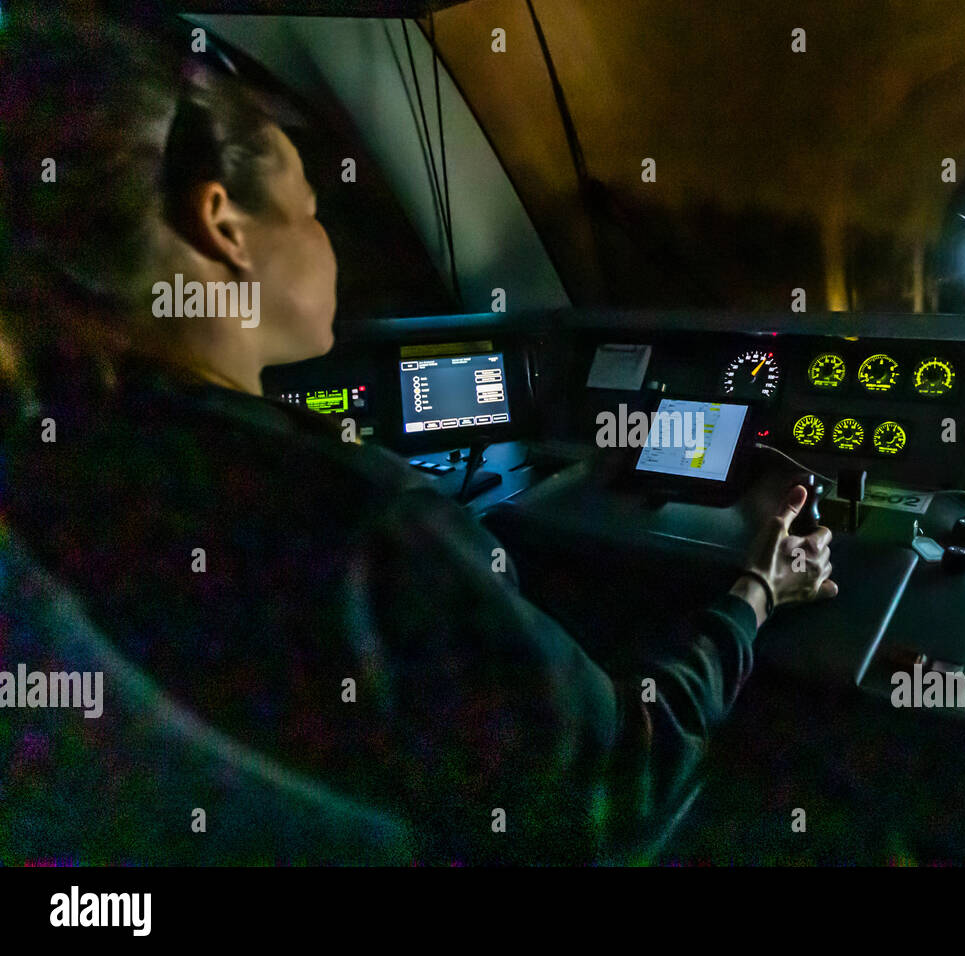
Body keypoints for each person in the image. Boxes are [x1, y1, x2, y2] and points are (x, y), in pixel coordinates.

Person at [0, 7, 837, 862]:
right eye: (311, 210)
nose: (328, 244)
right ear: (224, 226)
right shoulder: (361, 521)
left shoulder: (45, 471)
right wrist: (757, 590)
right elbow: (619, 785)